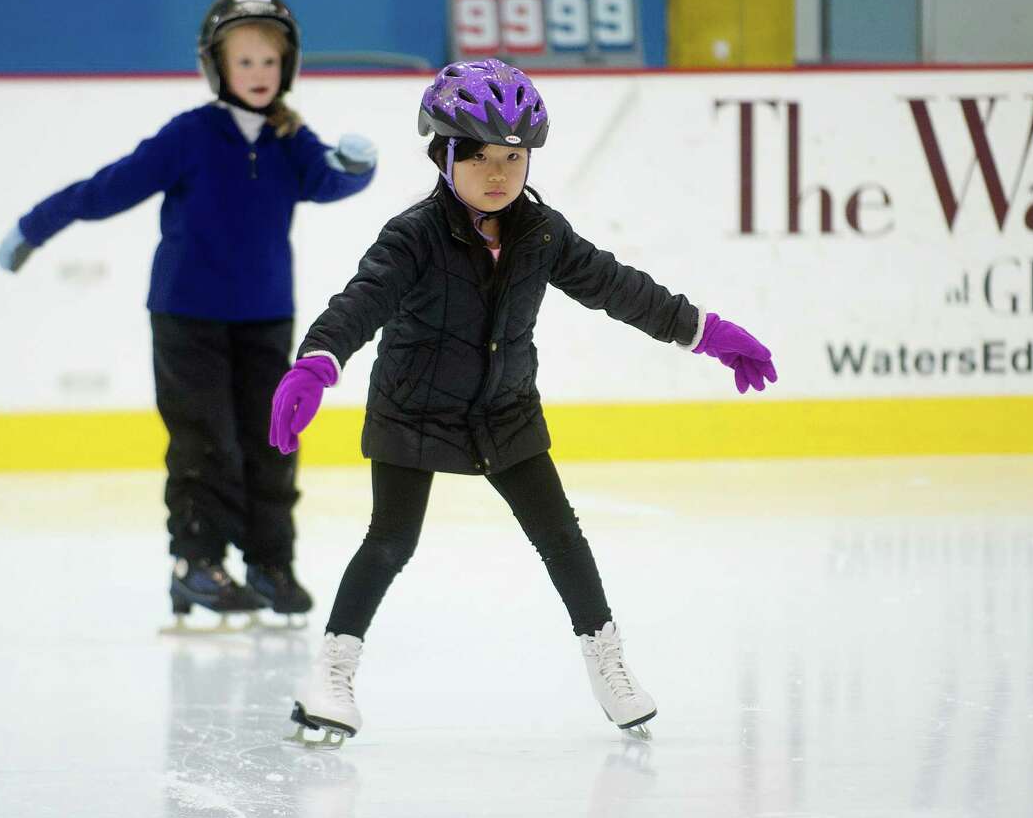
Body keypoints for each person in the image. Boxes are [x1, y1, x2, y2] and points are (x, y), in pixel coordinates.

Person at [270, 58, 776, 744]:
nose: (498, 172)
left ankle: (608, 660)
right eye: (478, 156)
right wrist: (317, 364)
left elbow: (620, 288)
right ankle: (331, 671)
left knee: (561, 534)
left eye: (513, 156)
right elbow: (361, 302)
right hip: (412, 405)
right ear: (443, 155)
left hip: (503, 408)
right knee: (391, 541)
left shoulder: (542, 232)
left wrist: (706, 333)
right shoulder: (413, 236)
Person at [0, 0, 377, 628]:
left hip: (264, 316)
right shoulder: (190, 136)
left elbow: (327, 181)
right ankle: (195, 563)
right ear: (216, 67)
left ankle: (270, 563)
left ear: (289, 67)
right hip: (187, 315)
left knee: (273, 440)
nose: (259, 74)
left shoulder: (291, 138)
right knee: (206, 442)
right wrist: (35, 226)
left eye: (270, 62)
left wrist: (356, 166)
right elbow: (108, 188)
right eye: (245, 61)